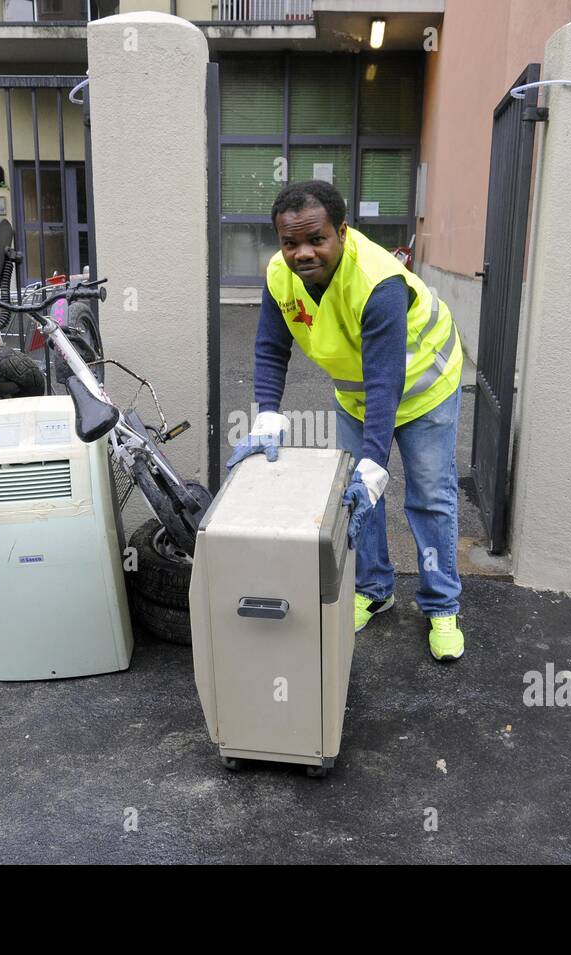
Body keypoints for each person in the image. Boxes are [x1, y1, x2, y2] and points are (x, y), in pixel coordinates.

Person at [226, 180, 465, 662]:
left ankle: (442, 606)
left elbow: (386, 380)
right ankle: (376, 589)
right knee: (358, 498)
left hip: (425, 388)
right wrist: (268, 415)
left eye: (317, 238)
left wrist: (376, 463)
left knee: (429, 498)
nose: (302, 253)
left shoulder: (378, 282)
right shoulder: (280, 276)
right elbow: (272, 347)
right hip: (359, 396)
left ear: (342, 231)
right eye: (290, 242)